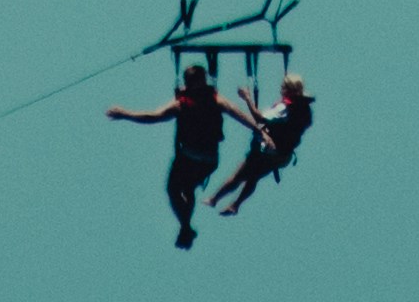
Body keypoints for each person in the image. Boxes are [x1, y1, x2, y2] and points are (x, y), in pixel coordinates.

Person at [106, 62, 231, 247]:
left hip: (191, 156)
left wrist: (125, 114)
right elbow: (238, 114)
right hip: (208, 159)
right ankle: (185, 226)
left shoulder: (183, 103)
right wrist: (259, 129)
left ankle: (186, 226)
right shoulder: (214, 99)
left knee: (175, 189)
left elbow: (154, 117)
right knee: (187, 188)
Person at [210, 71, 313, 219]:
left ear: (288, 89)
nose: (280, 89)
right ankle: (234, 205)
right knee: (253, 176)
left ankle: (215, 199)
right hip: (285, 155)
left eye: (283, 87)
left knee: (241, 175)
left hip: (272, 152)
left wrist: (247, 98)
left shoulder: (284, 108)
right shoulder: (304, 109)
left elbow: (259, 117)